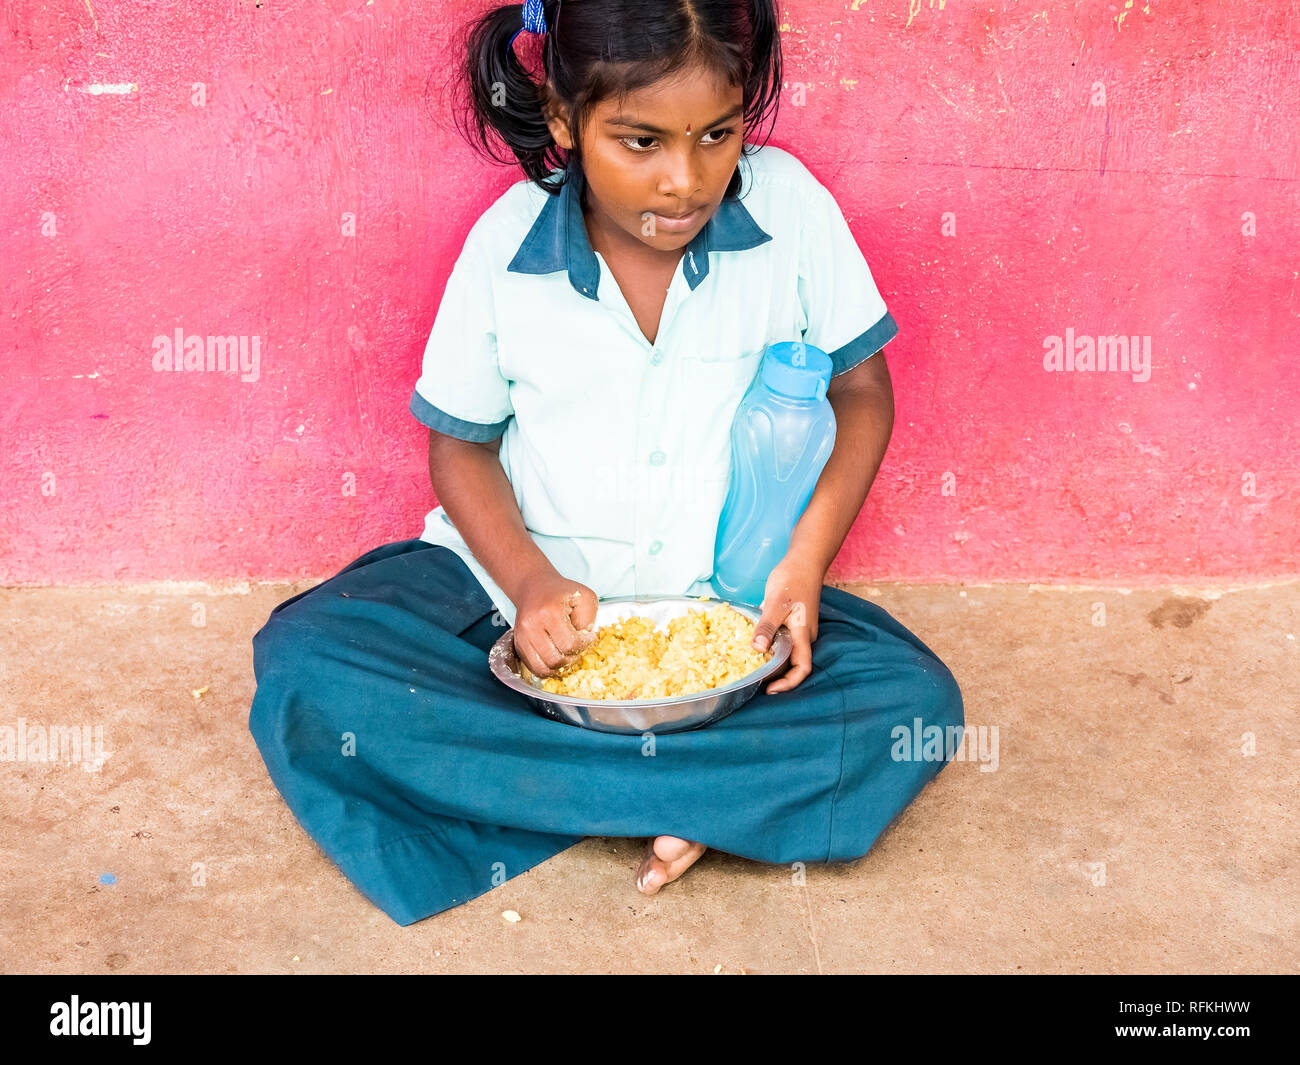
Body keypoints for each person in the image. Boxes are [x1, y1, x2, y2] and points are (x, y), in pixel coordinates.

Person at [248, 0, 965, 926]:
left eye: (718, 134)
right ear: (564, 121)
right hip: (510, 608)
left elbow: (861, 392)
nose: (685, 180)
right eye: (640, 142)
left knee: (914, 705)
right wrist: (533, 582)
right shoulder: (506, 246)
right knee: (308, 662)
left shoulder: (789, 209)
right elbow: (460, 446)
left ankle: (563, 790)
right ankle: (705, 798)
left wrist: (806, 560)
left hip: (723, 623)